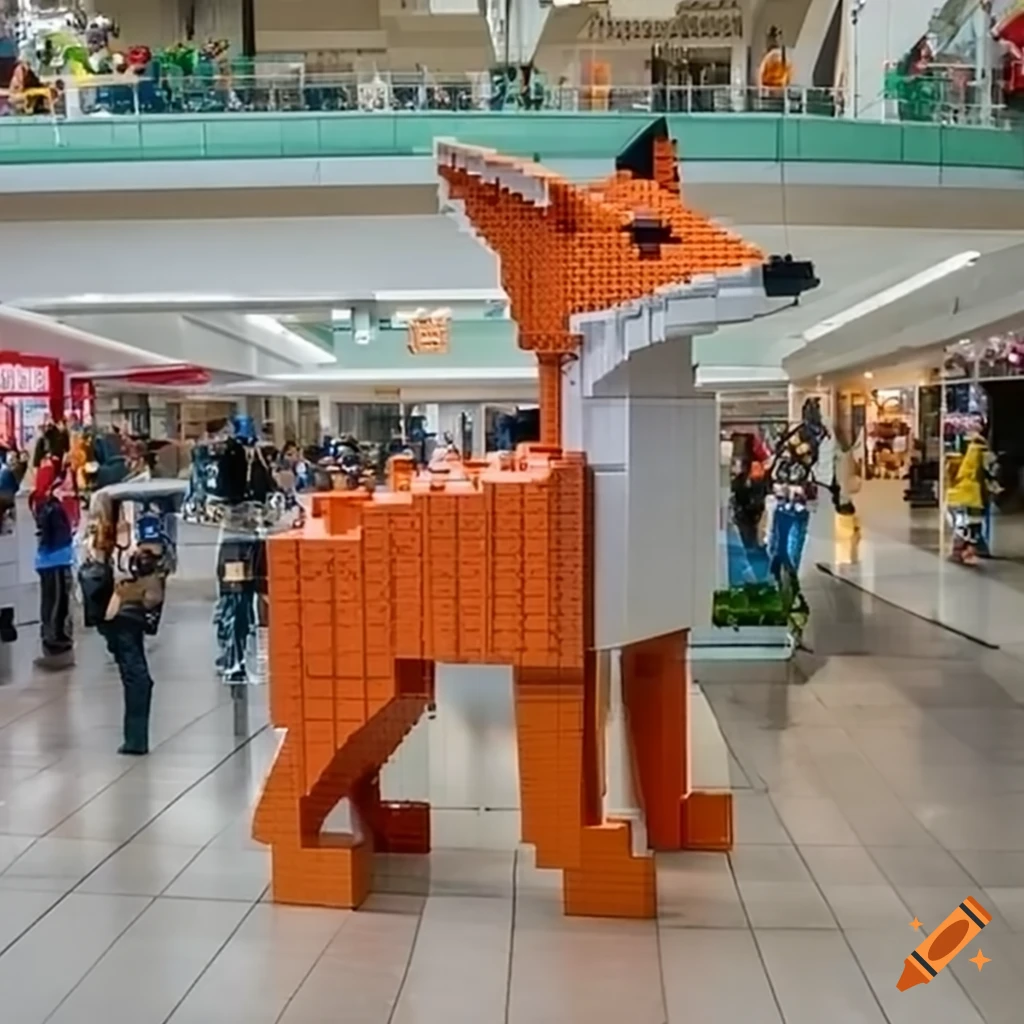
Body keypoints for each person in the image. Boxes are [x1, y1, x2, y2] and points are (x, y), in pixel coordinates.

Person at [30, 457, 75, 670]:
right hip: (54, 560)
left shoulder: (45, 504)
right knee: (56, 601)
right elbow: (51, 535)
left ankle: (53, 635)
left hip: (52, 560)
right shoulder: (50, 507)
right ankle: (54, 637)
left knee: (52, 600)